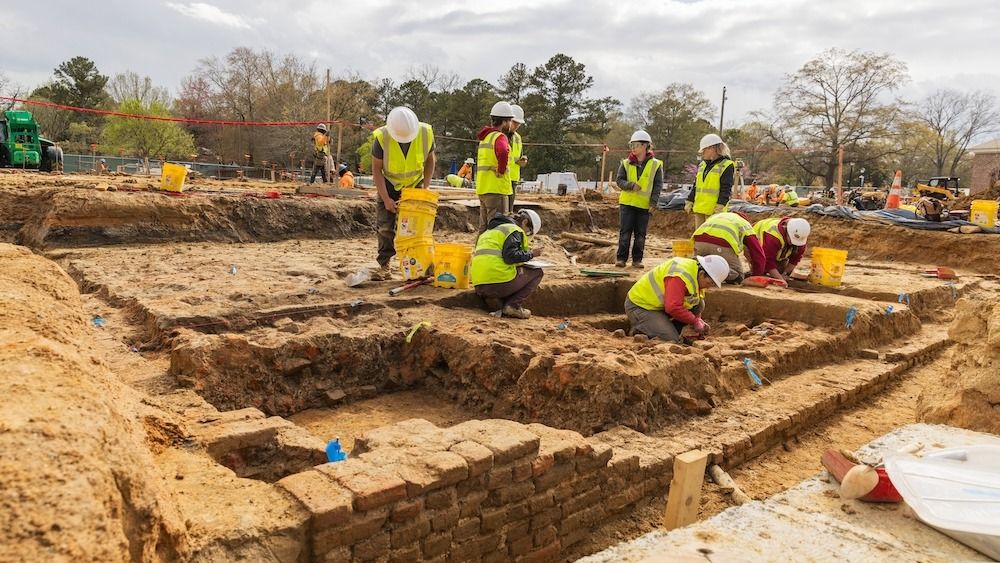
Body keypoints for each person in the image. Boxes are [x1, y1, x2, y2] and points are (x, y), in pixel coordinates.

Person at [371, 106, 436, 280]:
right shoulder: (381, 137)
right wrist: (386, 199)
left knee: (416, 227)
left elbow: (430, 161)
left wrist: (426, 186)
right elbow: (376, 170)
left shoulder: (425, 133)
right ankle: (384, 264)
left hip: (415, 184)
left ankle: (418, 264)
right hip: (389, 183)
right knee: (385, 227)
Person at [625, 255, 729, 343]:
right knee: (671, 340)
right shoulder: (679, 276)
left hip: (660, 305)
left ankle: (666, 328)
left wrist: (698, 319)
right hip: (641, 306)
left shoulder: (695, 272)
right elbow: (673, 307)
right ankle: (641, 329)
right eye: (709, 283)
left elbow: (696, 300)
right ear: (702, 274)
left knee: (698, 305)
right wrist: (694, 321)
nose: (709, 287)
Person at [471, 209, 544, 319]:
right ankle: (513, 306)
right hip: (497, 282)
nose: (526, 234)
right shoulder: (513, 230)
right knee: (537, 272)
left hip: (479, 284)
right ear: (524, 222)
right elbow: (510, 256)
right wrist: (531, 254)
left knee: (512, 271)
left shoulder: (490, 231)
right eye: (528, 231)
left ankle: (496, 299)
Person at [615, 130, 663, 268]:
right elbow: (619, 180)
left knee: (640, 234)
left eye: (636, 145)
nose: (633, 148)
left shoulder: (656, 165)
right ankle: (621, 259)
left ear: (644, 146)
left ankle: (637, 260)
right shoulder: (625, 163)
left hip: (644, 205)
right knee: (625, 232)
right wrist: (630, 185)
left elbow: (658, 185)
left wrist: (654, 202)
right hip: (627, 204)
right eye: (632, 145)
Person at [693, 212, 766, 283]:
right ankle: (714, 271)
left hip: (699, 242)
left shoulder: (718, 216)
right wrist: (757, 275)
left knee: (702, 263)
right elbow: (758, 254)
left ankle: (698, 266)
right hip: (722, 244)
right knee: (738, 277)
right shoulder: (745, 224)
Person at [476, 101, 515, 233]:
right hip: (496, 189)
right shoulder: (500, 137)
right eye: (510, 121)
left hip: (483, 188)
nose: (511, 125)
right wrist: (501, 170)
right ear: (504, 122)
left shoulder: (486, 138)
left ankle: (479, 252)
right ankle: (493, 253)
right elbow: (503, 151)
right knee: (497, 227)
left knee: (484, 226)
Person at [685, 134, 734, 228]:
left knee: (711, 240)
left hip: (714, 211)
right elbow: (696, 185)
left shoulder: (727, 165)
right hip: (699, 208)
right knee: (699, 238)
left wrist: (720, 205)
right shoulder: (702, 165)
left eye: (704, 149)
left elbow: (726, 188)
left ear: (713, 148)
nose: (702, 152)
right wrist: (690, 200)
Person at [508, 104, 528, 211]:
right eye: (514, 122)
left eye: (518, 124)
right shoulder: (500, 135)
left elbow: (518, 157)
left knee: (509, 210)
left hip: (513, 179)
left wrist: (522, 161)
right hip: (501, 178)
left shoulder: (518, 138)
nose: (516, 126)